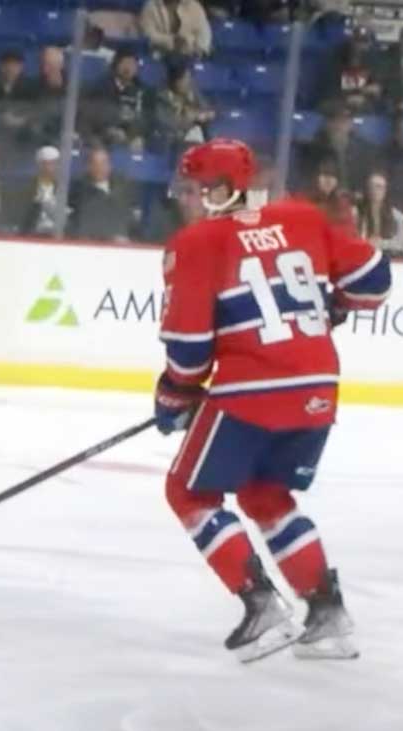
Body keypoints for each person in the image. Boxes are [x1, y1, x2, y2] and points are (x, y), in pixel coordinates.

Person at [155, 138, 391, 662]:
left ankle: (262, 607)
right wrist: (333, 305)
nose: (184, 198)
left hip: (250, 390)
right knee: (266, 496)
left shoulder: (196, 243)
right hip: (317, 386)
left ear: (222, 189)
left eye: (193, 188)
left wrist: (174, 394)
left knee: (188, 492)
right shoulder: (303, 217)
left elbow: (190, 348)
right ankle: (327, 617)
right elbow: (375, 281)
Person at [139, 0, 214, 60]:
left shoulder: (194, 6)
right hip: (160, 56)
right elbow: (148, 34)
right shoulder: (151, 7)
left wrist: (198, 49)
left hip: (189, 55)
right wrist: (172, 40)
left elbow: (204, 33)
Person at [355, 170, 403, 252]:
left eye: (379, 187)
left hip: (388, 256)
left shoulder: (396, 216)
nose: (374, 190)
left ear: (385, 190)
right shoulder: (355, 213)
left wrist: (381, 243)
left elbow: (401, 243)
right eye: (371, 186)